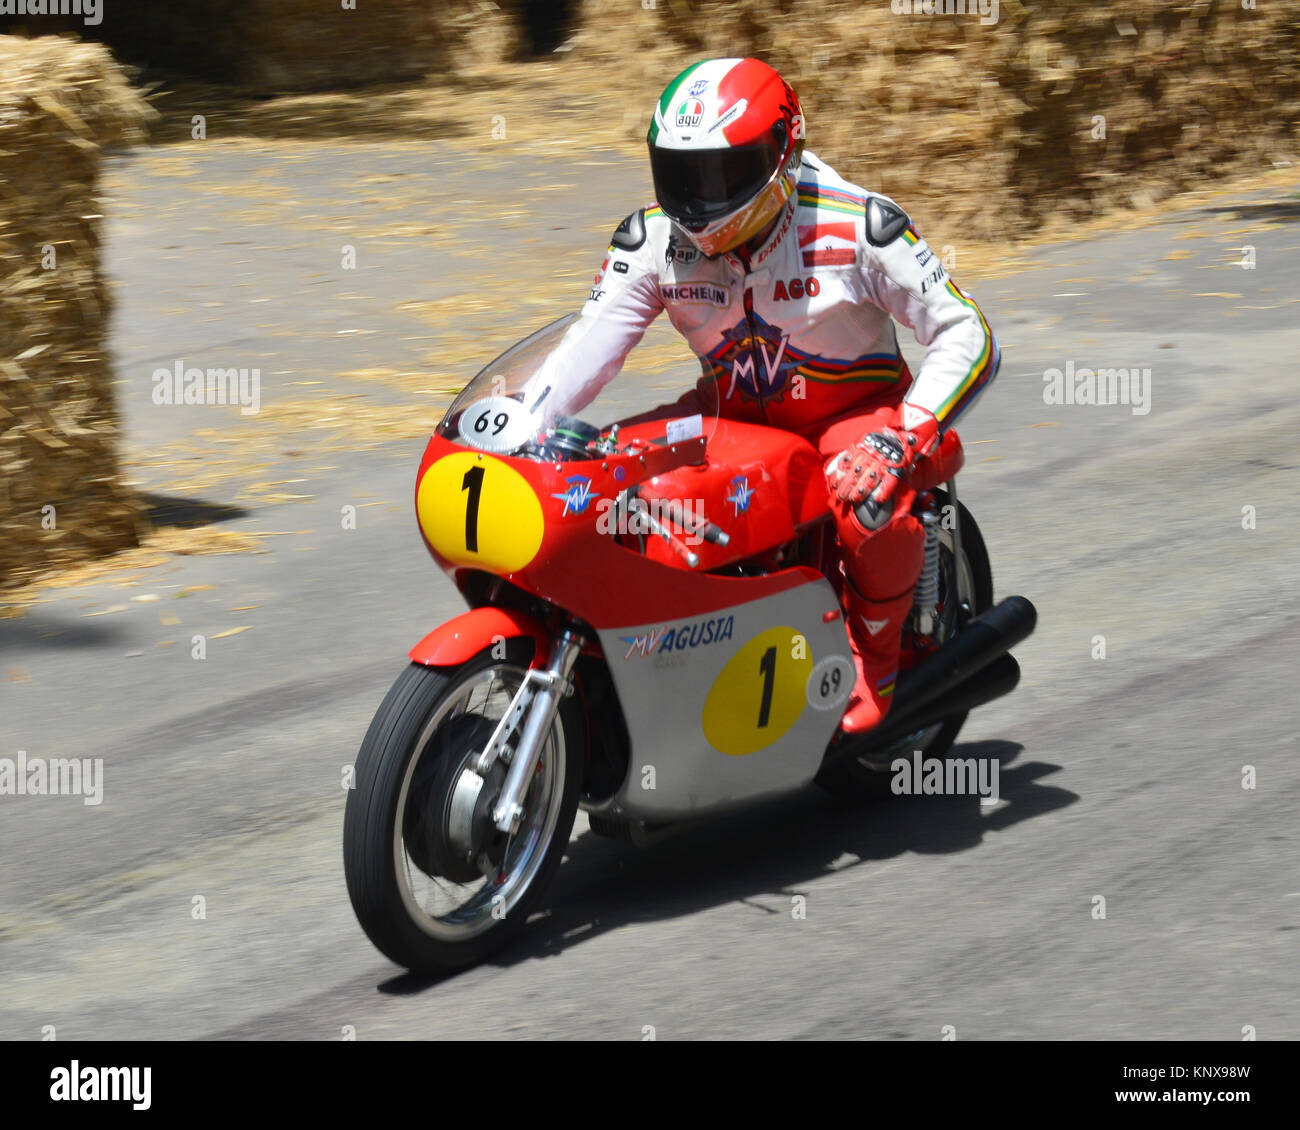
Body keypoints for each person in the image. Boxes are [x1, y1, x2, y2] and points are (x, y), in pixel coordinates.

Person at [523, 57, 1000, 732]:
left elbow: (967, 330)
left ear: (784, 152)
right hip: (729, 417)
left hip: (852, 416)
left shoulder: (859, 225)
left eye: (723, 173)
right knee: (597, 475)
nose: (701, 199)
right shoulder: (653, 241)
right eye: (683, 174)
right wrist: (524, 420)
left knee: (863, 499)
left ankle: (875, 661)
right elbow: (587, 349)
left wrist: (906, 433)